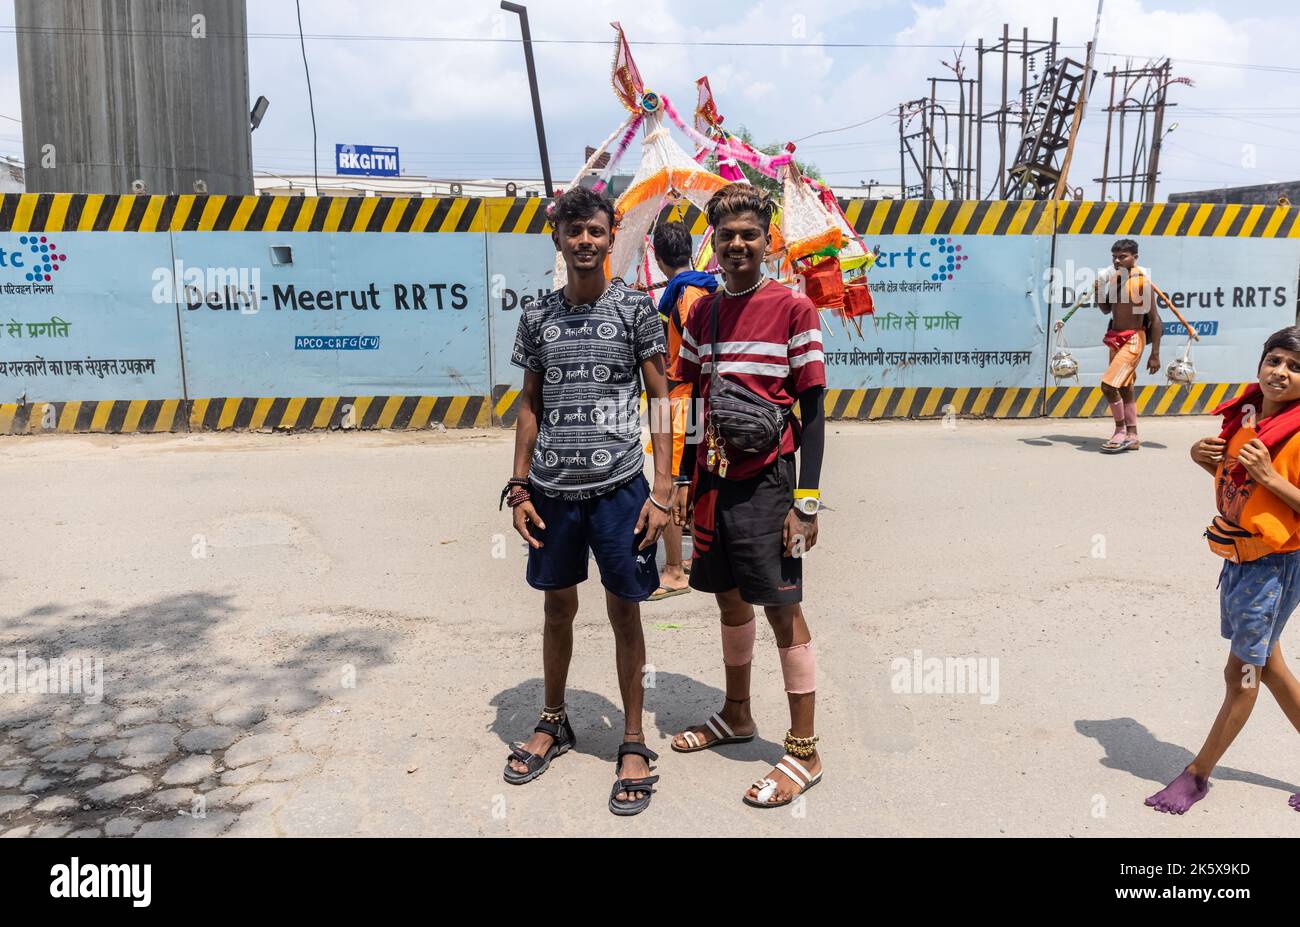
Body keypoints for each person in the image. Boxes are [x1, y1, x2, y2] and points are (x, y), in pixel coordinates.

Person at [501, 185, 674, 816]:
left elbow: (661, 399)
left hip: (620, 490)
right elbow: (529, 404)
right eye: (573, 231)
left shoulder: (634, 311)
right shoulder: (538, 317)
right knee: (556, 612)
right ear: (558, 238)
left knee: (626, 613)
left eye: (595, 231)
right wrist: (519, 484)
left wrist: (663, 488)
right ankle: (554, 721)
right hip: (552, 491)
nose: (584, 241)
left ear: (611, 236)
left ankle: (632, 739)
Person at [668, 182, 829, 808]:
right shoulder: (703, 313)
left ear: (768, 242)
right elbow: (694, 400)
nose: (738, 245)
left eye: (750, 235)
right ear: (714, 241)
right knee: (729, 601)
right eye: (728, 235)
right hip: (712, 480)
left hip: (768, 483)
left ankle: (804, 750)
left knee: (780, 608)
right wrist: (683, 478)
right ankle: (738, 715)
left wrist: (806, 499)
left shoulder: (793, 308)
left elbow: (813, 411)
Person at [1146, 327, 1300, 815]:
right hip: (1239, 558)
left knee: (1243, 673)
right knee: (1270, 668)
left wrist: (1270, 477)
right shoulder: (1249, 417)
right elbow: (1237, 485)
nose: (1281, 372)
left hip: (1272, 566)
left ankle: (1196, 775)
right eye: (1275, 360)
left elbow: (1269, 487)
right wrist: (1202, 459)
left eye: (1295, 368)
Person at [647, 220, 716, 601]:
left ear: (658, 259)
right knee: (683, 480)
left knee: (669, 483)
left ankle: (674, 570)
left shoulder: (686, 293)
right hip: (681, 398)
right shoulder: (698, 286)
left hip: (680, 399)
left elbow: (696, 353)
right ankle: (689, 559)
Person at [1094, 239, 1162, 452]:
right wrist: (1098, 290)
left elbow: (1155, 320)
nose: (1117, 260)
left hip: (1133, 339)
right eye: (1114, 256)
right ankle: (1132, 435)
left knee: (1108, 385)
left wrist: (1155, 355)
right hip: (1115, 338)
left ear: (1135, 258)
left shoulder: (1142, 283)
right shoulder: (1115, 280)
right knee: (1125, 387)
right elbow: (1106, 309)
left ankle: (1120, 431)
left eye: (1122, 256)